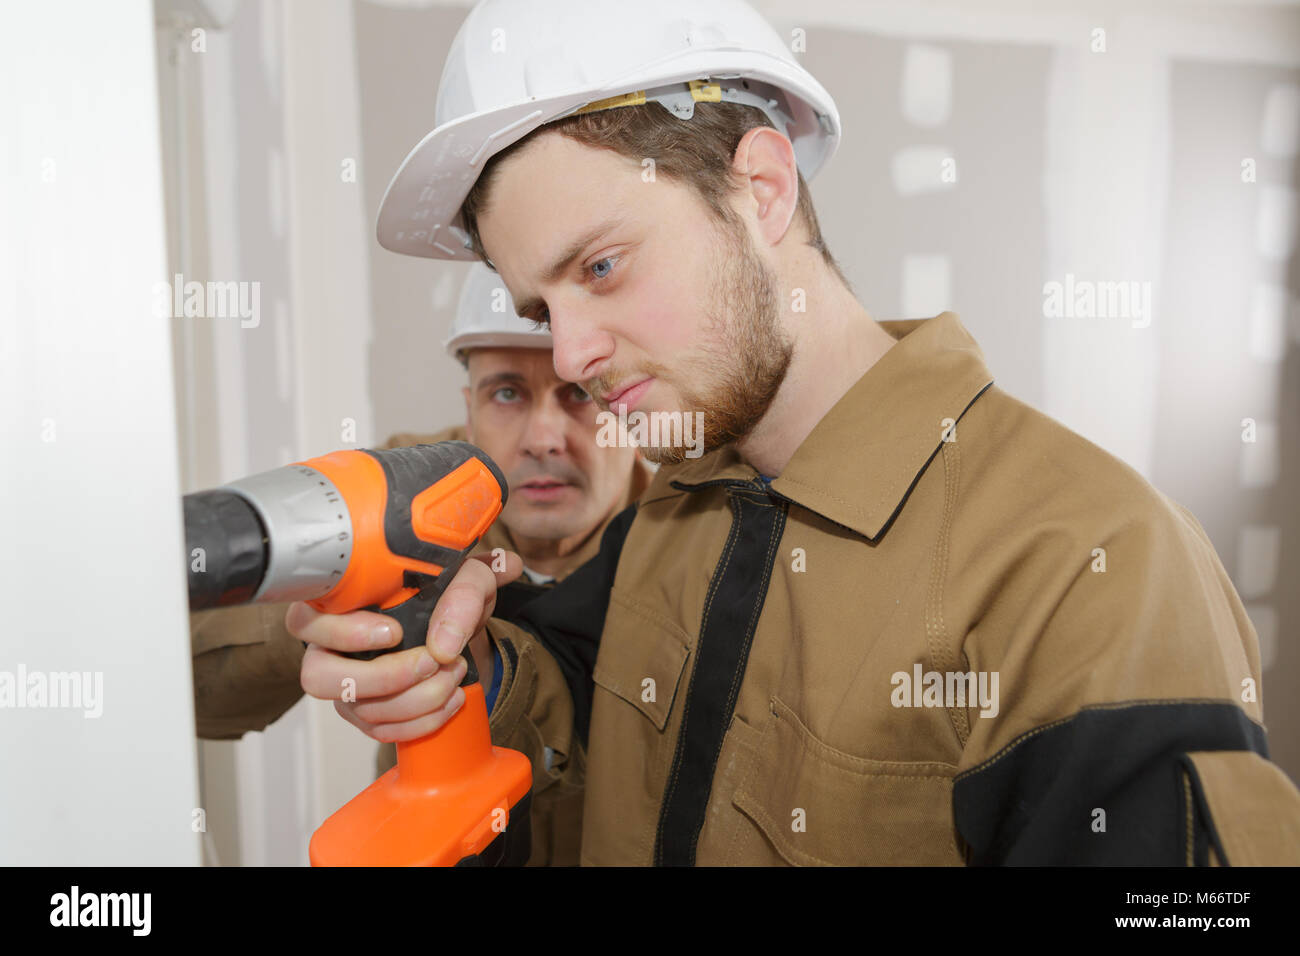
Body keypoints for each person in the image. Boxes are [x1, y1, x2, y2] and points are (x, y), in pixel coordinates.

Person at [291, 0, 1300, 864]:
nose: (570, 358)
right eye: (542, 307)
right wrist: (464, 676)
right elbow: (576, 710)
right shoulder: (673, 514)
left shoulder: (1092, 566)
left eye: (599, 268)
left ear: (761, 190)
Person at [191, 262, 650, 865]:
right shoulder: (402, 493)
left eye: (577, 395)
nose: (544, 437)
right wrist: (327, 618)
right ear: (470, 408)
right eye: (507, 392)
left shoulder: (681, 542)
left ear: (624, 404)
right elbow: (194, 692)